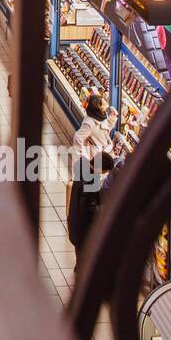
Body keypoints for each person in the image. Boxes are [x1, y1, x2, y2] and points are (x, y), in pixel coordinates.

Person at [67, 94, 117, 255]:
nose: (105, 105)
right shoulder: (89, 122)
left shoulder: (99, 118)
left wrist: (112, 118)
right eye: (103, 103)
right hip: (82, 232)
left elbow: (105, 128)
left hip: (76, 228)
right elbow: (89, 207)